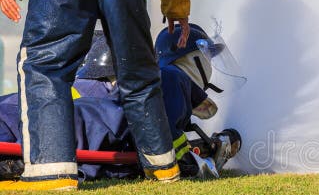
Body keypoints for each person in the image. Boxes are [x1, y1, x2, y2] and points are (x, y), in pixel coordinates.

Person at [0, 0, 191, 191]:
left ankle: (52, 172)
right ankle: (163, 170)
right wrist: (177, 1)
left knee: (44, 66)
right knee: (139, 73)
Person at [0, 28, 241, 181]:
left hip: (58, 139)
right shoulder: (170, 77)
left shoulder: (153, 89)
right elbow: (163, 142)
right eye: (208, 56)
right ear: (193, 58)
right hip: (48, 133)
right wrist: (195, 161)